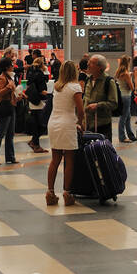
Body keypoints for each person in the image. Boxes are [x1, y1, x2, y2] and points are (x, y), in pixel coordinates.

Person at [45, 61, 85, 207]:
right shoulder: (75, 87)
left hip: (53, 123)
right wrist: (80, 123)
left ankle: (50, 193)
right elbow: (80, 110)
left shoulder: (57, 86)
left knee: (55, 159)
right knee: (69, 160)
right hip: (67, 124)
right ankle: (67, 193)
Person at [82, 54, 118, 142]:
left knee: (102, 153)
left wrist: (98, 105)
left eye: (91, 63)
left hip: (102, 125)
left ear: (100, 67)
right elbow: (84, 100)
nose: (88, 65)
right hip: (87, 124)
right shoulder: (88, 80)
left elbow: (113, 103)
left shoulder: (109, 81)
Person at [0, 58, 18, 165]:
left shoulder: (9, 77)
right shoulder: (2, 79)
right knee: (1, 133)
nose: (13, 66)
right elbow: (0, 93)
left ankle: (10, 157)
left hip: (11, 107)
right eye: (11, 65)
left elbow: (11, 92)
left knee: (10, 134)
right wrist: (8, 87)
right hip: (5, 108)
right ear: (6, 67)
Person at [25, 56, 49, 153]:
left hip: (32, 100)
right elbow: (41, 89)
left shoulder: (30, 73)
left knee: (36, 123)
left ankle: (34, 142)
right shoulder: (40, 74)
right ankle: (36, 144)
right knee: (42, 124)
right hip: (39, 101)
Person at [115, 55, 136, 143]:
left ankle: (130, 135)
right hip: (126, 96)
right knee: (124, 117)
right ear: (128, 63)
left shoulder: (118, 73)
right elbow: (131, 87)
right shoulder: (126, 74)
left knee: (128, 116)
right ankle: (122, 137)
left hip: (121, 95)